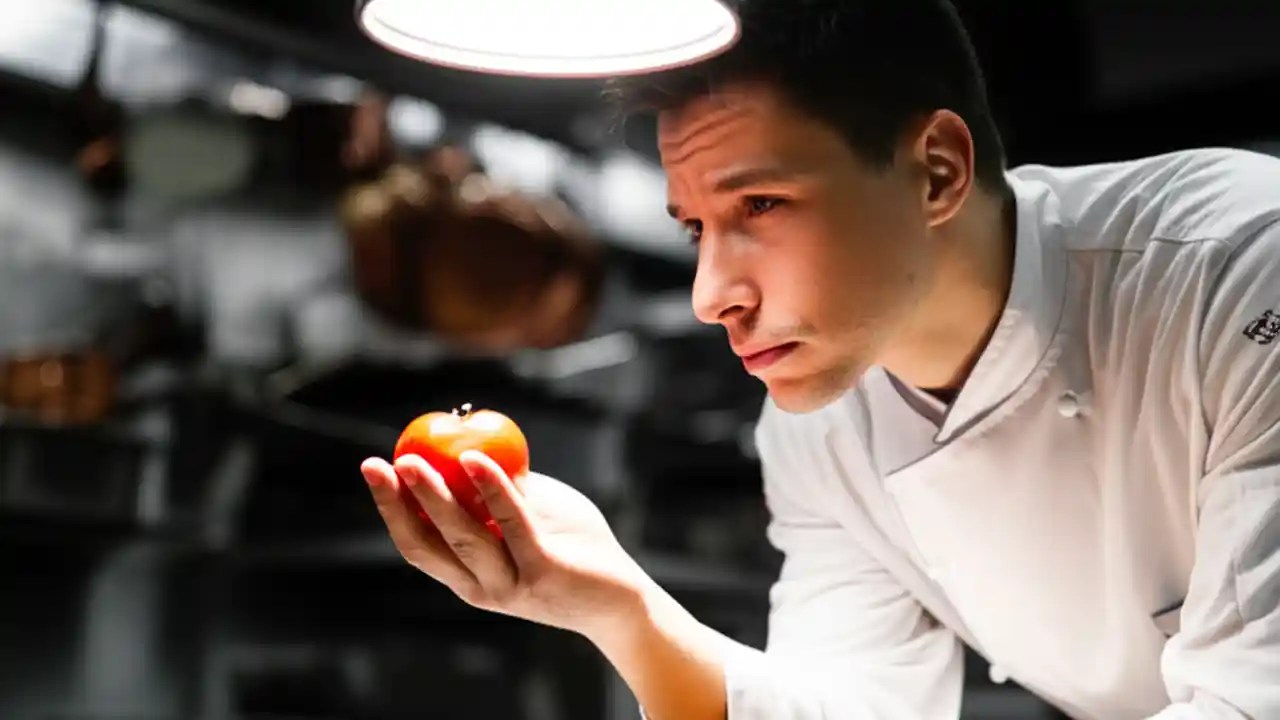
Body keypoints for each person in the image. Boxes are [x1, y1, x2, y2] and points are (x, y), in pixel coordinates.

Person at [358, 0, 1280, 717]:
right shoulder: (820, 425)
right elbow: (855, 706)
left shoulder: (1238, 265)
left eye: (759, 205)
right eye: (694, 229)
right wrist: (616, 606)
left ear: (937, 171)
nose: (709, 293)